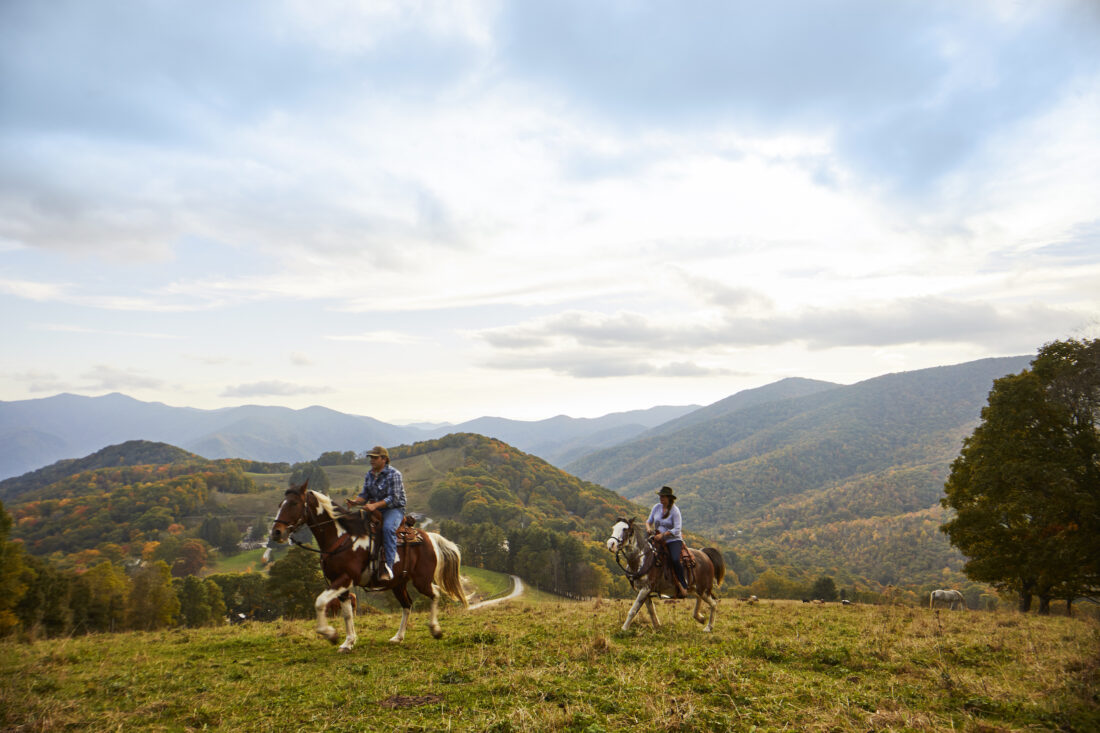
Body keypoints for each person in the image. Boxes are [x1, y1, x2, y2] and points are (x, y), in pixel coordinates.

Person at [347, 445, 406, 581]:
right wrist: (356, 502)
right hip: (376, 508)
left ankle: (388, 568)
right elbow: (364, 495)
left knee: (388, 529)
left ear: (384, 459)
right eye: (370, 458)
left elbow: (394, 498)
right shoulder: (370, 474)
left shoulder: (394, 474)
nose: (371, 460)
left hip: (394, 509)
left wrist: (375, 505)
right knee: (356, 523)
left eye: (375, 457)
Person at [646, 485, 689, 598]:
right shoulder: (656, 507)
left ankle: (683, 584)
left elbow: (677, 529)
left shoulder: (675, 511)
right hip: (657, 537)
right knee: (647, 554)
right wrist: (648, 528)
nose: (661, 498)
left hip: (673, 539)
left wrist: (663, 535)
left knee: (675, 559)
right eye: (660, 496)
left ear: (669, 498)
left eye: (663, 496)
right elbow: (648, 521)